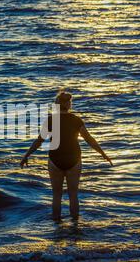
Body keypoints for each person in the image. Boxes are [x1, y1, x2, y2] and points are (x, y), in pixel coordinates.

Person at [20, 91, 113, 221]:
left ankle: (56, 226)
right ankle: (75, 225)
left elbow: (39, 140)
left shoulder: (51, 120)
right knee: (73, 195)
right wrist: (103, 154)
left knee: (56, 195)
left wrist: (26, 155)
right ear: (69, 104)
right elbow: (89, 139)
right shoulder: (76, 120)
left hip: (55, 159)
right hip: (74, 160)